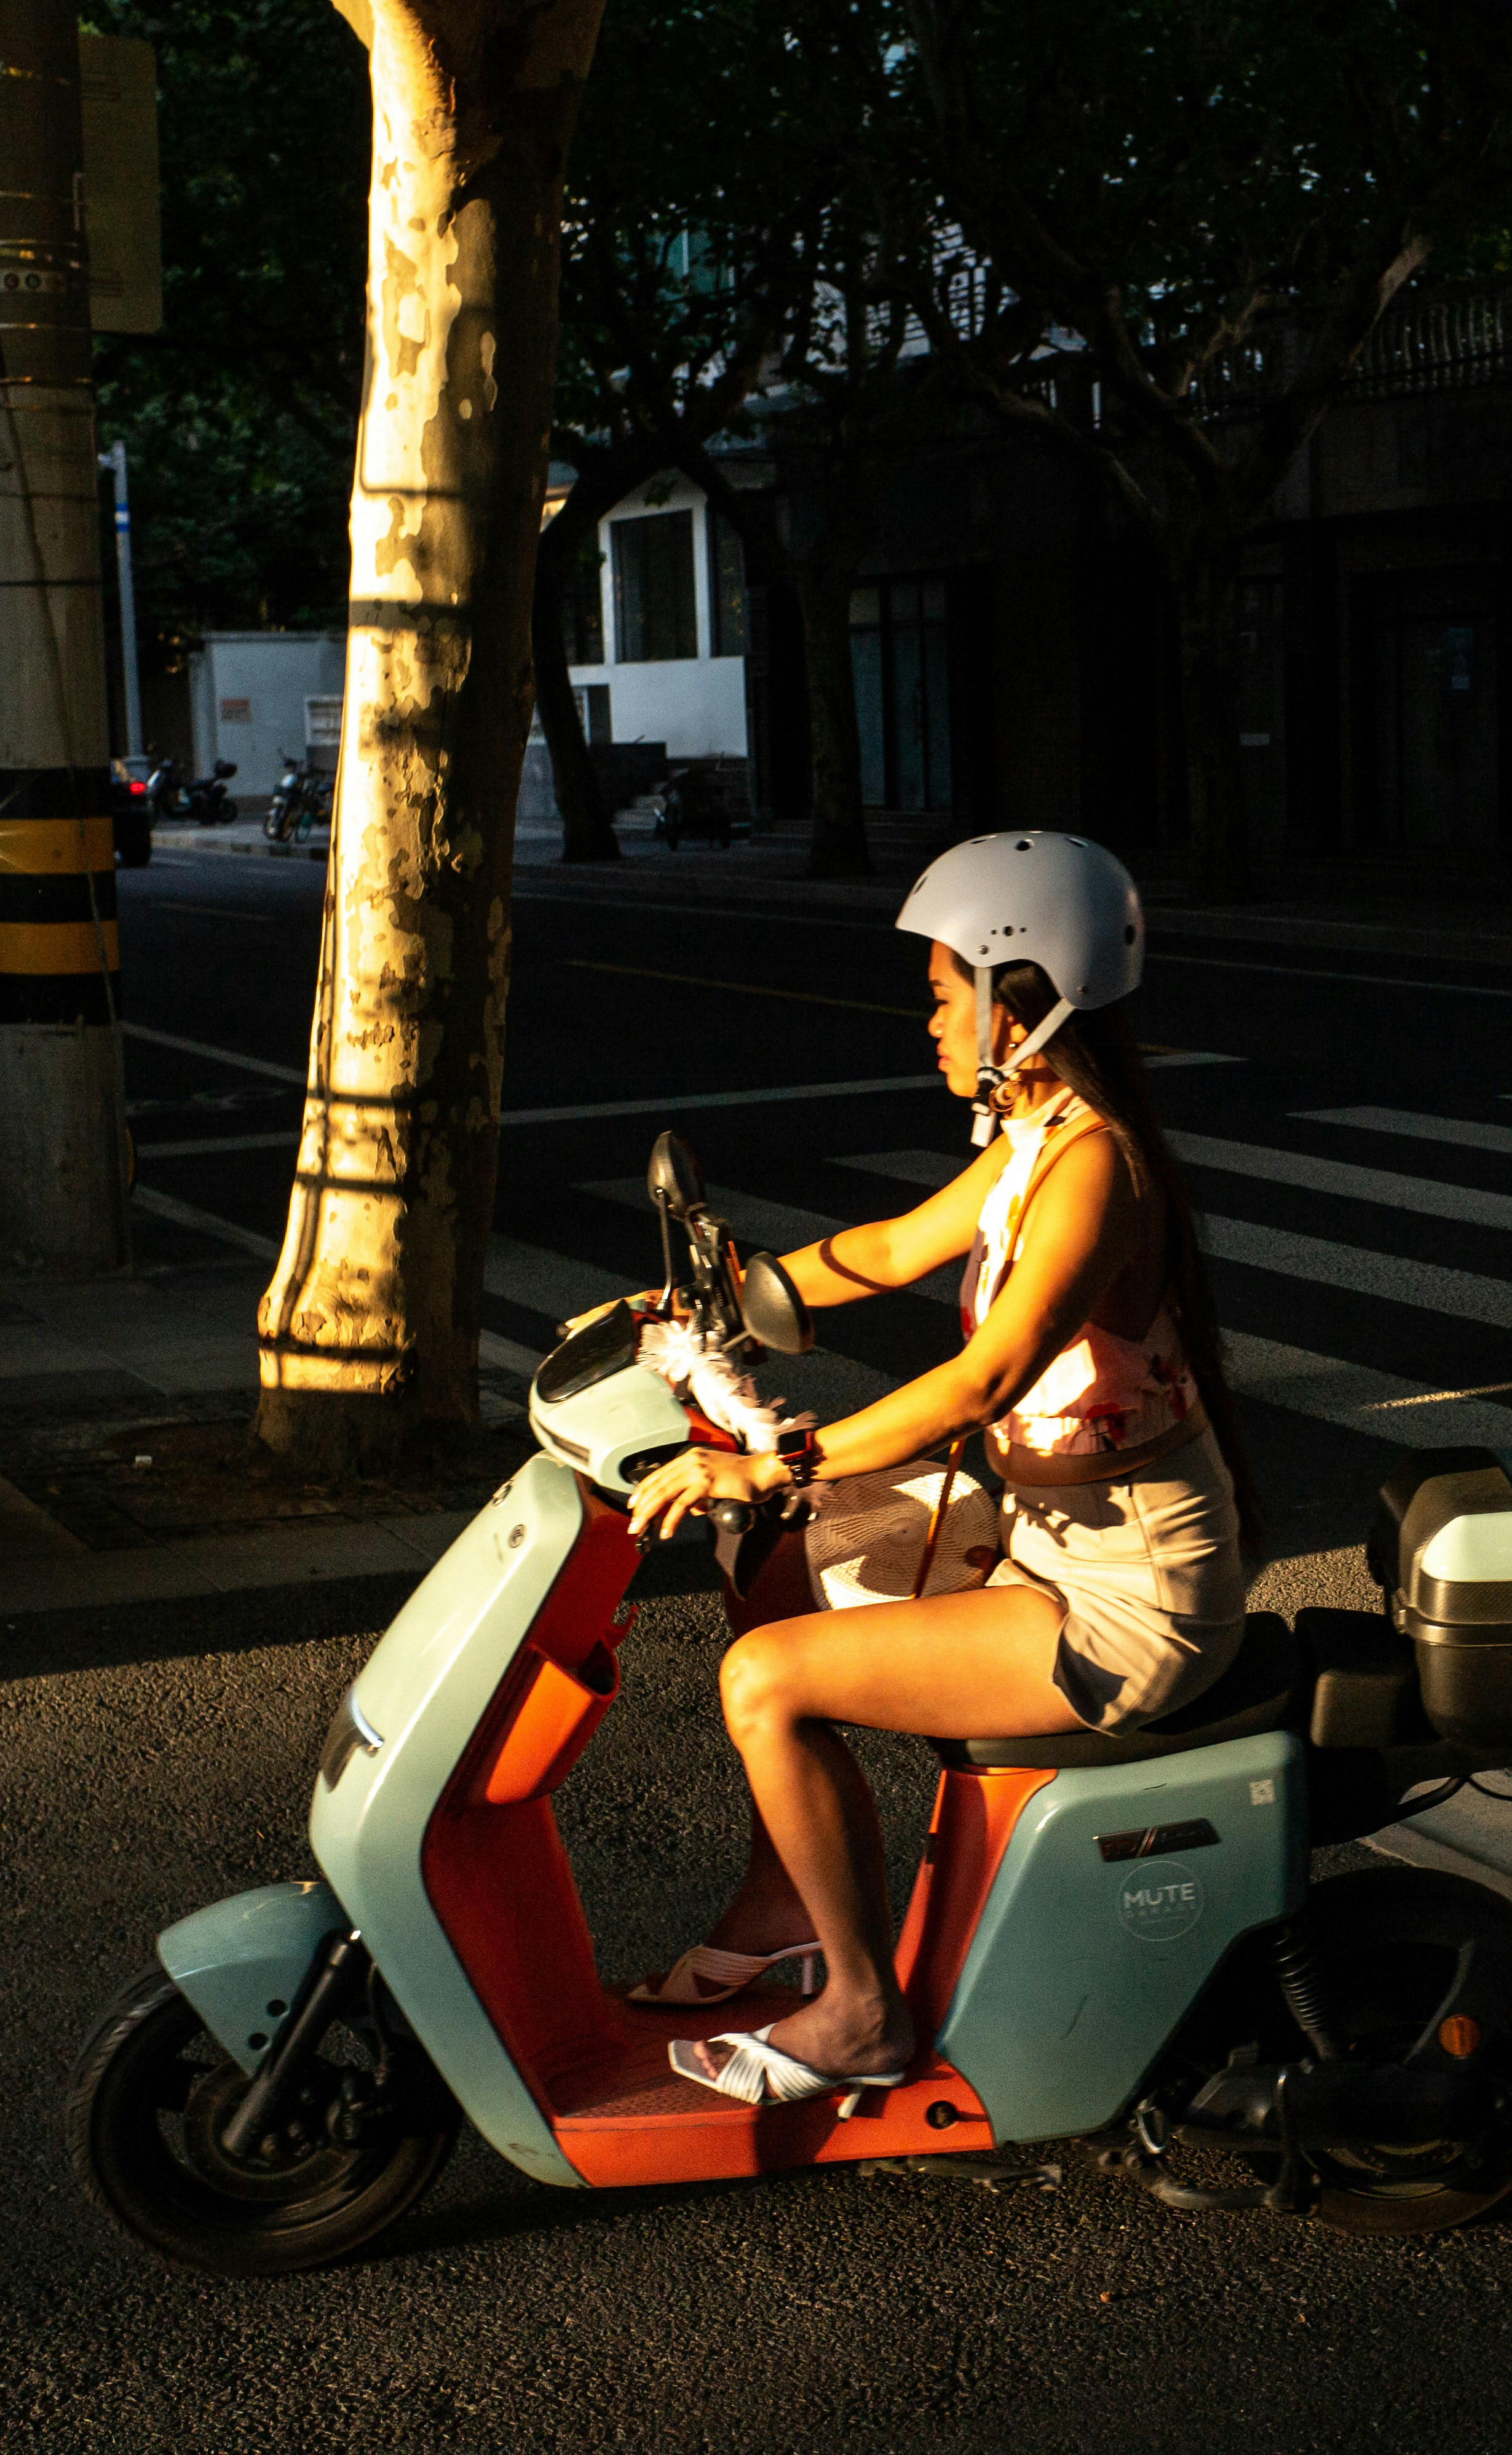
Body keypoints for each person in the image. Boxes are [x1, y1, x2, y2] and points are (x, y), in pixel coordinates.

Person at [616, 830, 1259, 2107]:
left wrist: (781, 1462)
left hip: (1123, 1604)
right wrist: (736, 1296)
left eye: (940, 991)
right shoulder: (1038, 1135)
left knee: (764, 1674)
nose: (927, 1019)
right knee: (776, 1562)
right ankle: (782, 1899)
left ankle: (861, 2014)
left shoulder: (1095, 1171)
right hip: (1055, 1532)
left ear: (1017, 996)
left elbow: (984, 1380)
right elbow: (894, 1244)